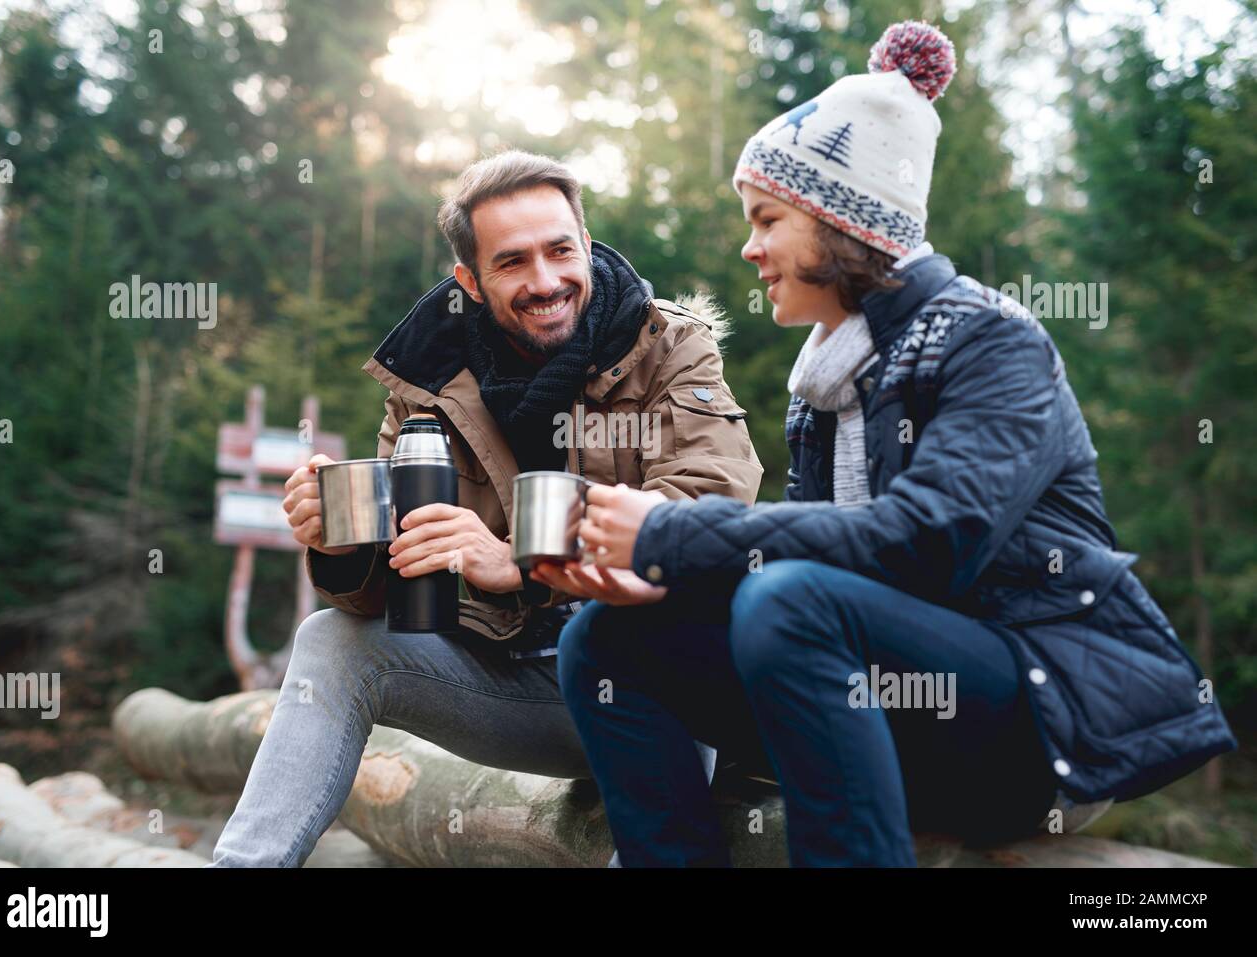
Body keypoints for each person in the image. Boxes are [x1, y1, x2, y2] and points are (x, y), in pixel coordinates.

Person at [549, 21, 1238, 867]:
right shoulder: (826, 382)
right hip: (878, 711)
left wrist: (670, 533)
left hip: (1035, 714)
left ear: (842, 226)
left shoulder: (991, 339)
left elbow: (924, 543)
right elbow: (803, 560)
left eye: (767, 219)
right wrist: (653, 573)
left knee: (792, 601)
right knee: (606, 638)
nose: (749, 247)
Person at [209, 150, 762, 867]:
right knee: (330, 641)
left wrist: (525, 559)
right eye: (512, 262)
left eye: (561, 251)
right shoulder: (426, 377)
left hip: (651, 686)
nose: (546, 281)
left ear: (586, 245)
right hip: (520, 688)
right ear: (469, 279)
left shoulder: (671, 345)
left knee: (635, 655)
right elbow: (388, 591)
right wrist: (340, 544)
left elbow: (704, 510)